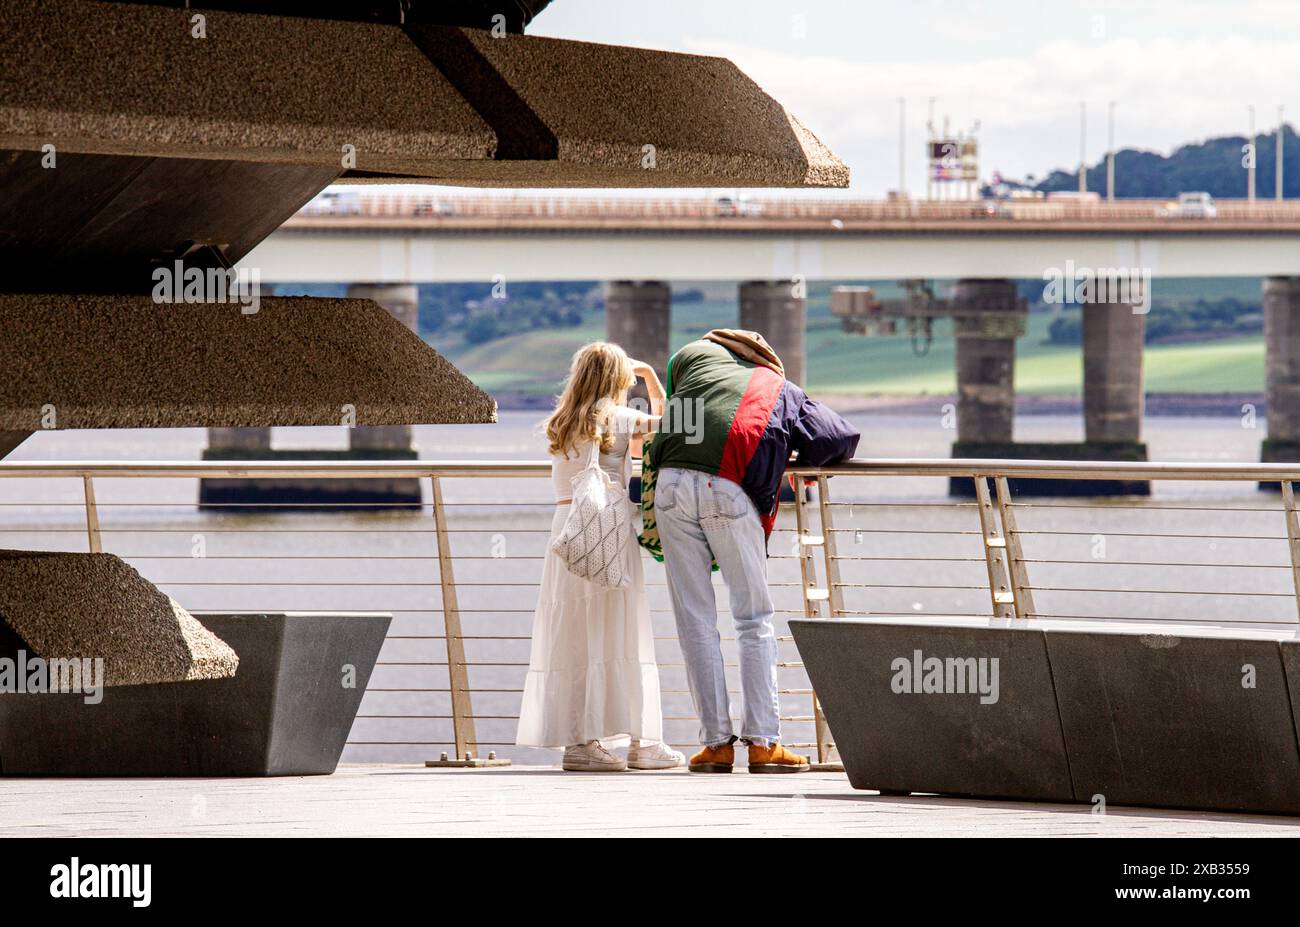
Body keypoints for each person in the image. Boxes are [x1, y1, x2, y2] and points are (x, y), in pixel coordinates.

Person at [646, 329, 859, 773]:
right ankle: (763, 744)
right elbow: (837, 438)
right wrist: (787, 449)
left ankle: (716, 746)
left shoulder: (690, 358)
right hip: (727, 487)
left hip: (668, 484)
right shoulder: (778, 387)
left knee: (694, 620)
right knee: (753, 618)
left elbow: (677, 422)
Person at [516, 342, 686, 772]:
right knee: (622, 629)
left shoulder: (561, 421)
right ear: (617, 378)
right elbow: (682, 424)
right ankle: (642, 742)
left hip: (568, 532)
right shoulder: (620, 419)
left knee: (573, 634)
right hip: (607, 531)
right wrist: (650, 378)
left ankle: (579, 742)